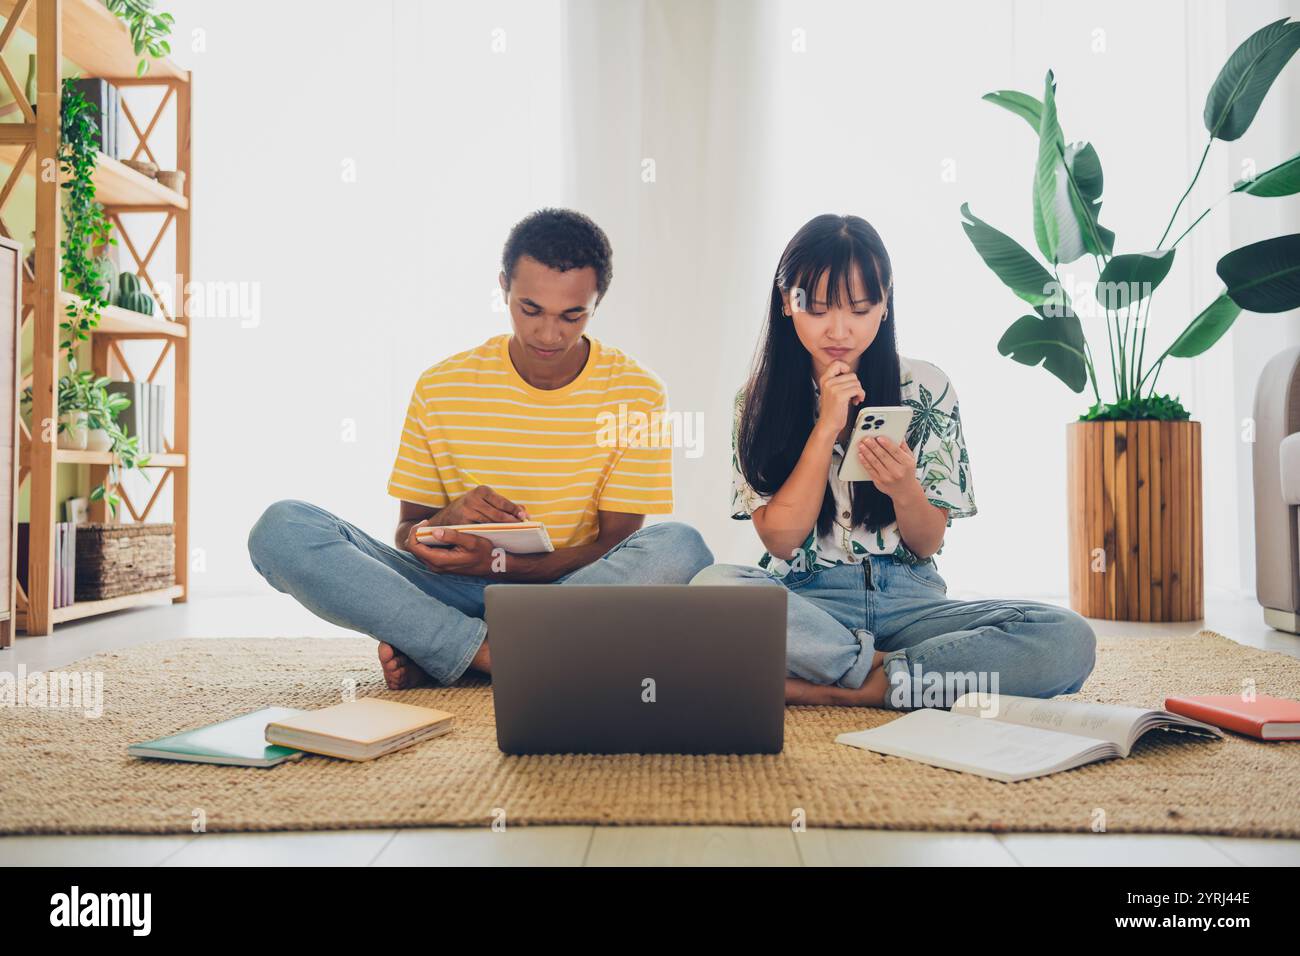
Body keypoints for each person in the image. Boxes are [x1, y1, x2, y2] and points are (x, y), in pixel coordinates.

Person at [249, 208, 711, 689]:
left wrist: (504, 564)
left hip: (563, 593)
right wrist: (443, 522)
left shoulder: (638, 393)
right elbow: (407, 533)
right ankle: (492, 652)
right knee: (282, 528)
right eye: (530, 309)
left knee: (681, 546)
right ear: (503, 287)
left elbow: (615, 546)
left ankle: (444, 648)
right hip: (445, 589)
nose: (548, 334)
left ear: (597, 303)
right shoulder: (440, 386)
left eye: (572, 315)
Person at [693, 213, 1095, 708]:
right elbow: (781, 540)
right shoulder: (755, 402)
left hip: (912, 604)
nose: (839, 329)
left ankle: (844, 687)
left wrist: (904, 488)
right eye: (817, 309)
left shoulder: (926, 387)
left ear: (884, 305)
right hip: (810, 604)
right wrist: (825, 429)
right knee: (714, 589)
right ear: (786, 302)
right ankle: (891, 675)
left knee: (1066, 637)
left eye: (860, 309)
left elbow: (927, 542)